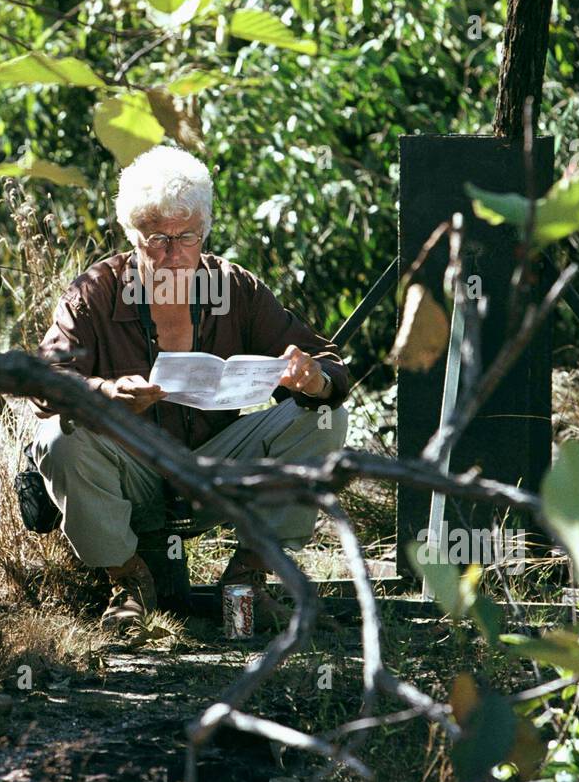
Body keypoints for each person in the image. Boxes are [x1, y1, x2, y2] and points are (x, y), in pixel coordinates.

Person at [29, 145, 350, 631]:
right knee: (59, 436)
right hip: (130, 469)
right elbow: (44, 382)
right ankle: (130, 582)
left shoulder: (235, 288)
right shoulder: (94, 291)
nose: (173, 253)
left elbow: (328, 363)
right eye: (156, 238)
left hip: (216, 467)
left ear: (206, 231)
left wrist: (313, 377)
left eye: (188, 237)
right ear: (130, 234)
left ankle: (247, 579)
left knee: (324, 415)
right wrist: (106, 393)